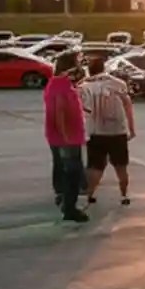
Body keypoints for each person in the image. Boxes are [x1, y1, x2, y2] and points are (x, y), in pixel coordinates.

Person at [79, 56, 136, 205]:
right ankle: (124, 195)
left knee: (95, 166)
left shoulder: (84, 86)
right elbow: (128, 106)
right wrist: (131, 128)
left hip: (96, 132)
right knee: (121, 167)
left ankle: (90, 195)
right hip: (117, 131)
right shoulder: (118, 84)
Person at [45, 52, 89, 223]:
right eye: (77, 63)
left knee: (62, 167)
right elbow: (60, 112)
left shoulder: (56, 83)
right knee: (73, 173)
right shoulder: (62, 85)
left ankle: (62, 197)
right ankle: (69, 208)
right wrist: (66, 136)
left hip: (58, 137)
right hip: (67, 138)